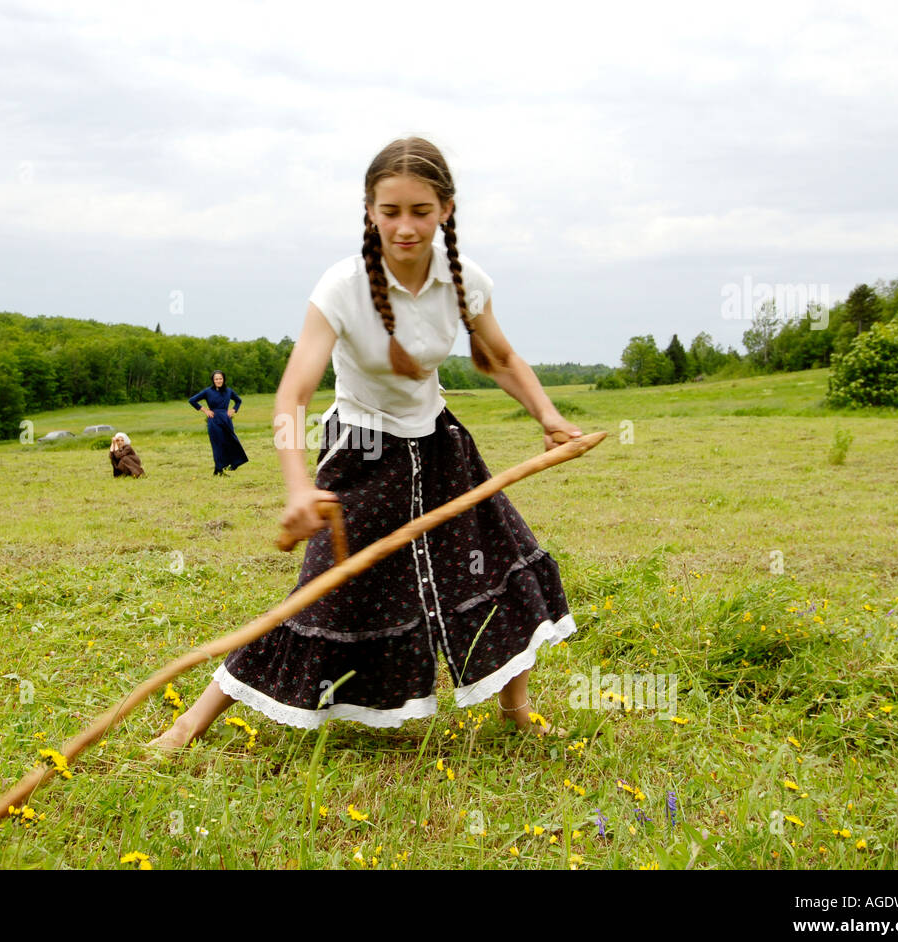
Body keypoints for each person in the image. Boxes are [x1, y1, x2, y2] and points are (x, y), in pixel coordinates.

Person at [151, 137, 583, 749]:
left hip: (439, 446)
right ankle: (190, 722)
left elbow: (501, 356)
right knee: (324, 591)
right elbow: (292, 394)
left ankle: (516, 712)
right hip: (363, 450)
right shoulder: (342, 286)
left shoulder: (464, 280)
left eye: (421, 212)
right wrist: (299, 487)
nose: (405, 227)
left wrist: (549, 415)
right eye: (390, 211)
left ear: (446, 211)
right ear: (369, 210)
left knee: (497, 558)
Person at [188, 371, 248, 476]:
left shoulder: (229, 391)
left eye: (220, 378)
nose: (218, 381)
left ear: (223, 379)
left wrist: (233, 410)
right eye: (216, 379)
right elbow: (192, 400)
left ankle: (234, 463)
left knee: (232, 441)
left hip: (226, 420)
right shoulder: (208, 391)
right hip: (214, 421)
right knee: (217, 445)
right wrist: (205, 410)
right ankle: (219, 470)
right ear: (213, 380)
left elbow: (238, 401)